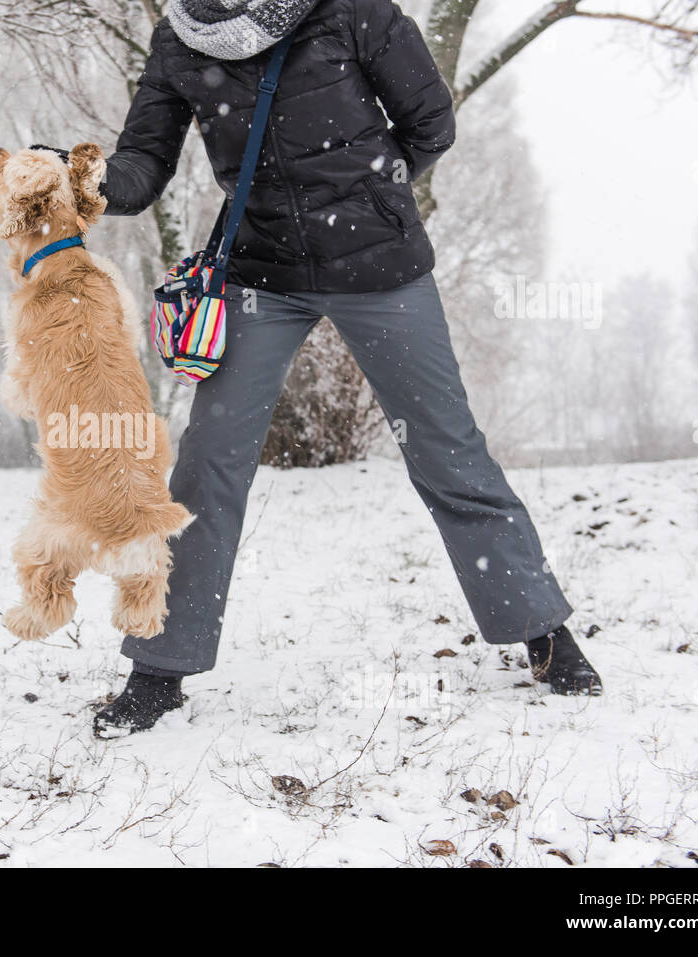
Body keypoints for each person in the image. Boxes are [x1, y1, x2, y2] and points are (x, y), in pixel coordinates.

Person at [86, 0, 603, 737]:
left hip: (381, 267)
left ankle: (543, 630)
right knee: (209, 464)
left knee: (444, 446)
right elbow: (142, 168)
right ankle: (159, 669)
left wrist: (369, 197)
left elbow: (431, 121)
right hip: (262, 274)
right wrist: (79, 181)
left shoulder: (350, 10)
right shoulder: (178, 36)